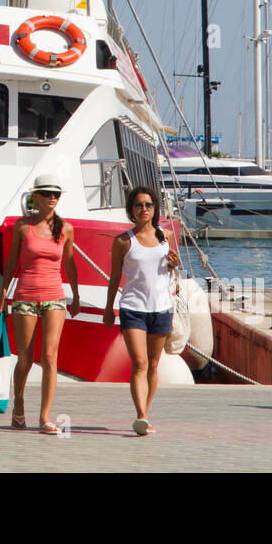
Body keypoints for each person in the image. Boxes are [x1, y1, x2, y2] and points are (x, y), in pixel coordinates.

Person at [0, 174, 80, 435]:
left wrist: (75, 295)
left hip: (54, 296)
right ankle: (19, 405)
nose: (53, 197)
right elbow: (12, 262)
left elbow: (69, 263)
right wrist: (3, 294)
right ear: (36, 197)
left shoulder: (65, 228)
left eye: (56, 194)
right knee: (25, 359)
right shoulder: (23, 226)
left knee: (50, 357)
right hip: (25, 296)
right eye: (47, 193)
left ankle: (45, 417)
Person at [102, 186, 180, 436]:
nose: (144, 209)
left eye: (148, 205)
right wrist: (108, 308)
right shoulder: (123, 241)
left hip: (161, 308)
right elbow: (115, 277)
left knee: (154, 365)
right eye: (138, 205)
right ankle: (141, 415)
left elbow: (169, 268)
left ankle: (145, 413)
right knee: (140, 363)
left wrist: (174, 263)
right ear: (131, 210)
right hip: (132, 307)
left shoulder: (165, 236)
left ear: (155, 209)